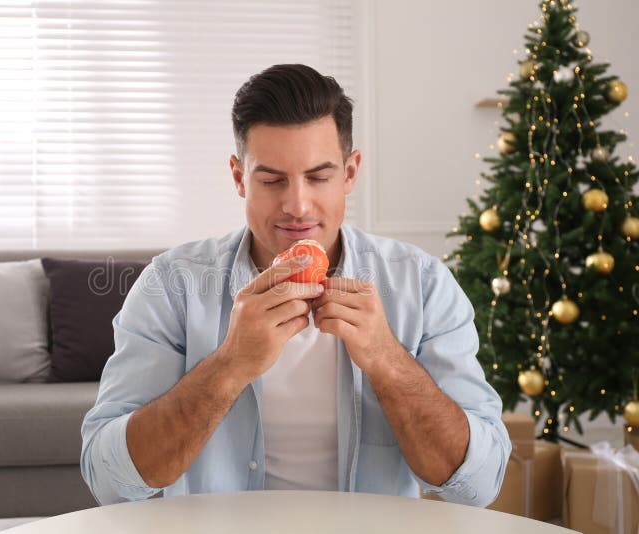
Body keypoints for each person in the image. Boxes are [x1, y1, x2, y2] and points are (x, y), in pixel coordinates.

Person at [81, 64, 510, 507]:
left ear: (350, 173)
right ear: (237, 177)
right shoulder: (172, 285)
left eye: (319, 177)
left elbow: (476, 486)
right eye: (271, 180)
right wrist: (229, 365)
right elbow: (110, 482)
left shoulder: (422, 284)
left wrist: (387, 360)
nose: (297, 206)